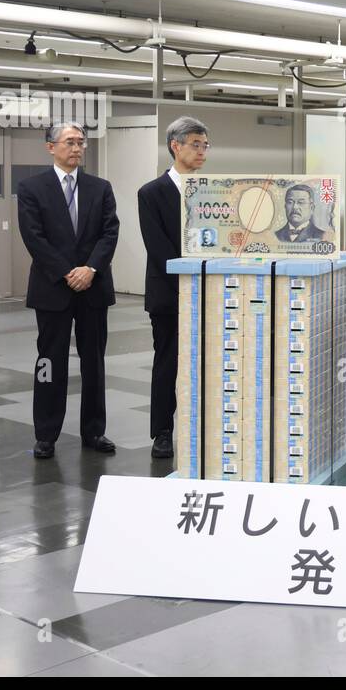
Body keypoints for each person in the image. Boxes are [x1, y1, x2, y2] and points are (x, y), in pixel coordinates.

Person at [17, 123, 120, 459]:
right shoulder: (32, 188)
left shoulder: (100, 187)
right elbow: (34, 237)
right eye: (69, 142)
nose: (76, 148)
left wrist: (90, 269)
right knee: (49, 362)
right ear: (50, 147)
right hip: (52, 288)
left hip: (93, 287)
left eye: (81, 142)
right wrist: (66, 272)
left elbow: (109, 233)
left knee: (94, 361)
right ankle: (46, 434)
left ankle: (95, 431)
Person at [138, 116, 209, 459]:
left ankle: (205, 425)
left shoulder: (212, 189)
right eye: (196, 144)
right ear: (175, 146)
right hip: (168, 293)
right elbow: (158, 247)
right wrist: (188, 279)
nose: (202, 152)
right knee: (167, 362)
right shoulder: (151, 193)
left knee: (209, 361)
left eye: (205, 145)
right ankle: (162, 432)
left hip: (209, 292)